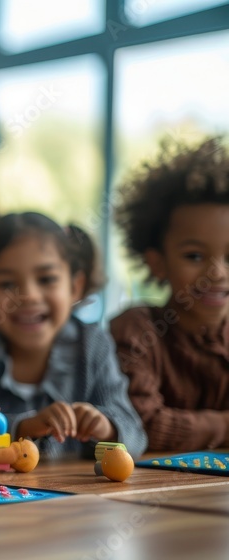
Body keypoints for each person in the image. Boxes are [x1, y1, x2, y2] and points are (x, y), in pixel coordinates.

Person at [0, 212, 146, 459]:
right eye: (7, 284)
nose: (28, 295)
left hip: (75, 496)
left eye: (47, 279)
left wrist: (106, 427)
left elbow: (135, 435)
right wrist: (23, 427)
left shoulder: (91, 345)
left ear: (75, 287)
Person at [110, 136, 229, 451]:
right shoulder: (137, 331)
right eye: (194, 256)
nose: (217, 273)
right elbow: (142, 426)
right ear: (157, 262)